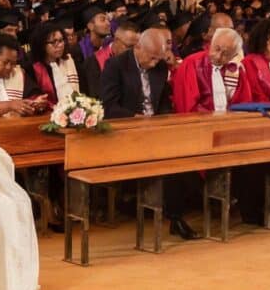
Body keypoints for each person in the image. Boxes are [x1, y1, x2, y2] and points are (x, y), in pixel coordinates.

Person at [100, 27, 196, 239]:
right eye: (152, 58)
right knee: (169, 160)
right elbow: (108, 106)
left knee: (183, 156)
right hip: (126, 130)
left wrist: (163, 120)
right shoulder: (116, 66)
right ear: (138, 47)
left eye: (158, 59)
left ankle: (176, 216)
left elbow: (162, 103)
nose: (155, 64)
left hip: (154, 129)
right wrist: (135, 118)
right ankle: (173, 216)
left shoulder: (160, 66)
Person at [26, 20, 80, 106]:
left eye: (61, 40)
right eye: (54, 42)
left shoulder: (69, 60)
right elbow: (34, 98)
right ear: (42, 45)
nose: (60, 45)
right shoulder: (33, 69)